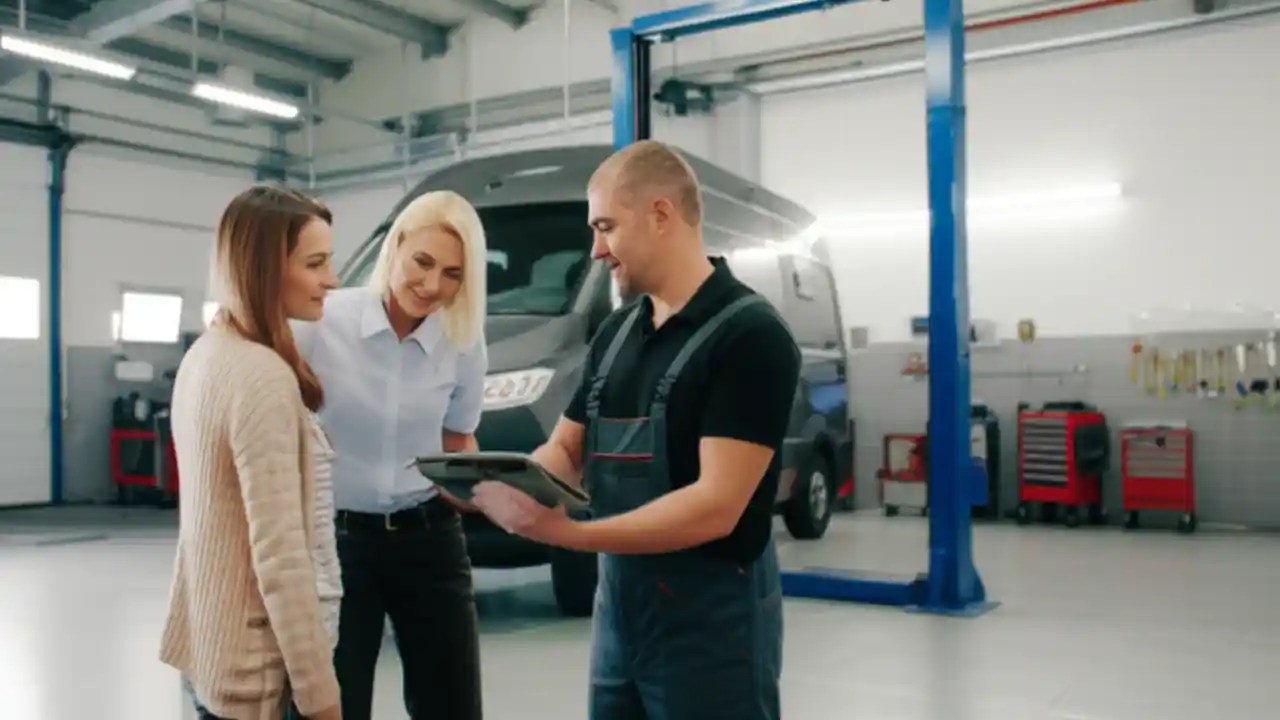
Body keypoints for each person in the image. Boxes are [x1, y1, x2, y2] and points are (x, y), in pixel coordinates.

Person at [471, 140, 801, 720]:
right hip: (622, 611)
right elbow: (566, 447)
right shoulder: (617, 333)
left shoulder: (751, 337)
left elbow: (716, 506)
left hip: (713, 626)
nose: (595, 250)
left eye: (605, 227)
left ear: (661, 215)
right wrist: (506, 485)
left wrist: (564, 534)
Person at [291, 189, 489, 720]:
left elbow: (457, 441)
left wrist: (489, 488)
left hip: (430, 539)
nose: (432, 284)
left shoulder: (464, 340)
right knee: (334, 703)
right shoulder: (322, 322)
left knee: (452, 707)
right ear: (395, 246)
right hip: (336, 542)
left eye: (452, 274)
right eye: (422, 261)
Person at [159, 186, 343, 720]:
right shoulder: (260, 377)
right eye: (315, 263)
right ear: (265, 269)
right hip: (258, 672)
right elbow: (280, 557)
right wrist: (321, 697)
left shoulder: (207, 354)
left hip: (213, 652)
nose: (332, 280)